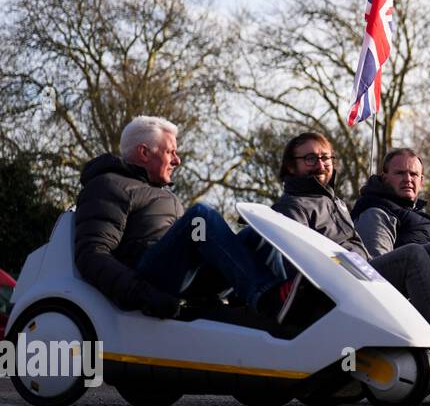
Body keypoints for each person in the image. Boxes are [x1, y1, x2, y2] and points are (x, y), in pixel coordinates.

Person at [74, 116, 287, 319]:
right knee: (200, 217)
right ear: (144, 153)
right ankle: (267, 297)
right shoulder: (109, 185)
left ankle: (272, 305)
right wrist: (144, 294)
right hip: (148, 279)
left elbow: (193, 243)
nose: (178, 160)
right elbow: (92, 253)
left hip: (185, 277)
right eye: (171, 152)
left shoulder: (166, 196)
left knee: (258, 234)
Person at [272, 132, 430, 332]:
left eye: (325, 158)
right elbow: (296, 259)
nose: (320, 164)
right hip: (344, 282)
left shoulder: (332, 201)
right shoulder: (294, 206)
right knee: (414, 255)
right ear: (291, 166)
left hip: (359, 271)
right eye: (310, 158)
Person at [351, 147, 430, 257]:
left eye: (413, 174)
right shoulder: (374, 213)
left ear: (421, 181)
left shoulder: (419, 216)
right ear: (384, 177)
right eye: (400, 173)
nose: (407, 179)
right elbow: (377, 267)